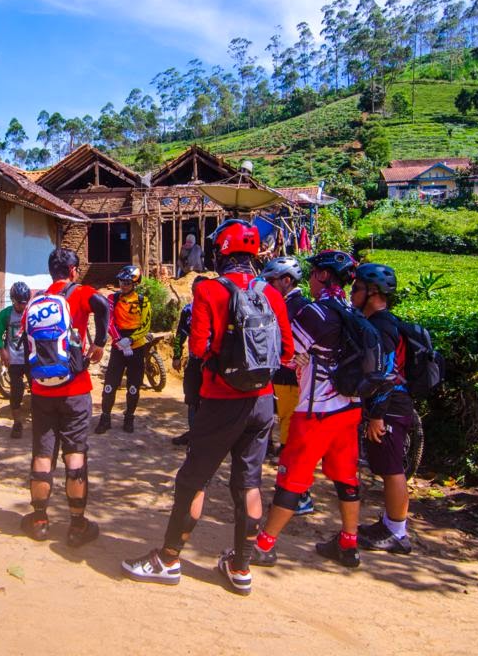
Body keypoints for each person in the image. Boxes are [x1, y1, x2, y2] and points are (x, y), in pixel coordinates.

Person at [122, 219, 293, 595]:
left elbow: (199, 348)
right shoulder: (272, 293)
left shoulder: (210, 290)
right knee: (248, 483)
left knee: (193, 480)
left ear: (221, 252)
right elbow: (288, 352)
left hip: (220, 403)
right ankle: (241, 567)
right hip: (262, 403)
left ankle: (167, 559)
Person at [253, 250, 364, 569]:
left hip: (316, 410)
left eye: (314, 272)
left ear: (325, 276)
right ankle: (348, 544)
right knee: (347, 478)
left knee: (292, 477)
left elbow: (286, 352)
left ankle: (264, 544)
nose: (311, 278)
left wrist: (294, 359)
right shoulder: (350, 310)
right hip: (350, 407)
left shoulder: (316, 313)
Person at [19, 248, 110, 547]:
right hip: (75, 389)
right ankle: (77, 526)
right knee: (75, 455)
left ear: (50, 272)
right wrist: (99, 343)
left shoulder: (36, 301)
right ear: (72, 270)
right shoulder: (80, 293)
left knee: (42, 455)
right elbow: (103, 305)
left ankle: (40, 521)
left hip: (42, 390)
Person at [350, 263, 413, 554]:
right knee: (386, 466)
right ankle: (389, 523)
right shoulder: (381, 322)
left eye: (357, 288)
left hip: (389, 405)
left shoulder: (381, 326)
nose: (352, 293)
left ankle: (397, 532)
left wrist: (376, 416)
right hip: (388, 403)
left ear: (372, 293)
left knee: (391, 469)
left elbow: (385, 374)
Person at [259, 256, 314, 516]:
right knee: (284, 434)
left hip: (293, 381)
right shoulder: (285, 303)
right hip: (280, 378)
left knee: (292, 439)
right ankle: (291, 491)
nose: (268, 285)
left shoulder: (299, 307)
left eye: (272, 281)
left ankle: (299, 495)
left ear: (287, 281)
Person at [97, 265, 152, 434]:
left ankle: (129, 417)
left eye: (127, 282)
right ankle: (105, 418)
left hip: (136, 347)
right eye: (121, 282)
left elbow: (146, 325)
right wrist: (120, 340)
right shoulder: (112, 299)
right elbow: (109, 321)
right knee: (109, 385)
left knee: (134, 386)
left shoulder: (143, 301)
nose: (124, 285)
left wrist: (131, 339)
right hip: (118, 346)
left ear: (135, 283)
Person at [0, 281, 32, 439]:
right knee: (16, 391)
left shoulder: (31, 312)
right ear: (13, 300)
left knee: (37, 389)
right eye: (19, 303)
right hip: (14, 359)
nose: (22, 307)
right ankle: (17, 423)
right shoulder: (6, 314)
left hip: (31, 358)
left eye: (25, 303)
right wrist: (2, 350)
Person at [170, 302, 203, 446]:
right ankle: (194, 433)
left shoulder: (217, 306)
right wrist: (177, 355)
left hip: (214, 363)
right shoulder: (188, 309)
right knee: (192, 399)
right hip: (195, 361)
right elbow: (180, 333)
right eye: (195, 291)